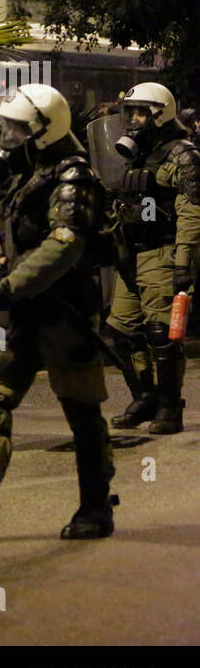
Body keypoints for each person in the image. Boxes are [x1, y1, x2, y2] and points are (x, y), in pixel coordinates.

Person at [0, 83, 116, 539]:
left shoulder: (73, 178)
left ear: (43, 131)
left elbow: (64, 245)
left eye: (14, 127)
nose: (5, 135)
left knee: (82, 411)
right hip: (16, 313)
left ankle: (95, 509)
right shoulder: (22, 172)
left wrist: (9, 285)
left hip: (63, 313)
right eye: (5, 125)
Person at [101, 82, 200, 435]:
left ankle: (170, 408)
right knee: (116, 333)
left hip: (163, 251)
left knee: (161, 333)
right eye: (130, 112)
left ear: (161, 113)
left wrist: (183, 264)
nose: (133, 120)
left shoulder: (182, 154)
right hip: (132, 254)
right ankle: (145, 396)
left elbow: (192, 213)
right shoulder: (136, 154)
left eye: (140, 112)